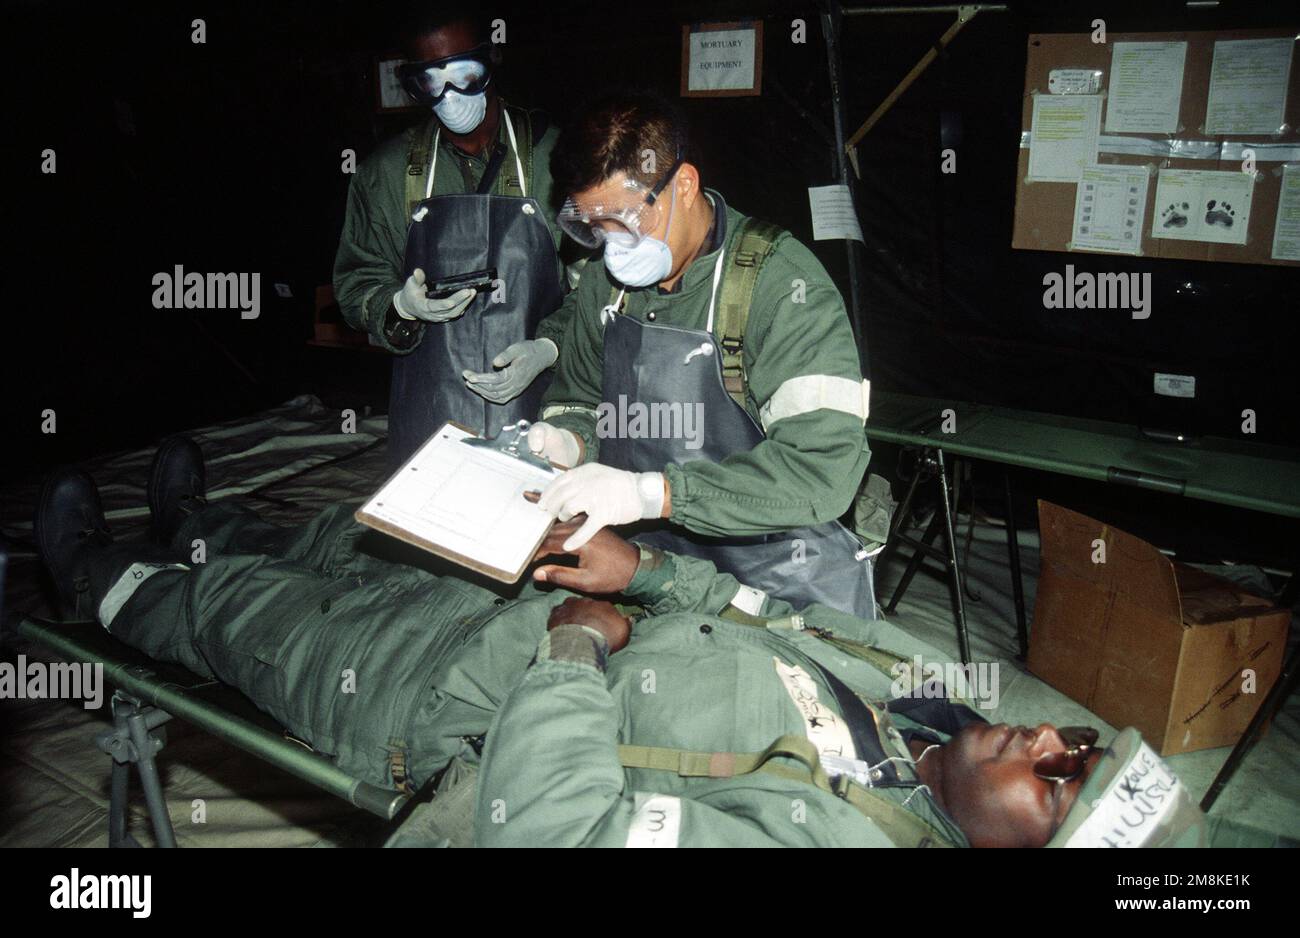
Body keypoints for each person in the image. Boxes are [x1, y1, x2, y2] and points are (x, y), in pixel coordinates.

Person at [33, 439, 1253, 848]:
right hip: (548, 615)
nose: (1045, 731)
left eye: (1057, 778)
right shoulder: (929, 700)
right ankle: (201, 522)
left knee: (251, 622)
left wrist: (572, 648)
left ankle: (94, 580)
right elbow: (769, 618)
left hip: (448, 702)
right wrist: (646, 571)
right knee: (359, 540)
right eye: (1077, 739)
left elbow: (555, 827)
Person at [527, 91, 877, 618]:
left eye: (624, 221)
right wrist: (571, 440)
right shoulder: (608, 284)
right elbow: (578, 394)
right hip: (641, 561)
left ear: (684, 185)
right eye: (594, 227)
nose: (612, 247)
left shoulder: (782, 286)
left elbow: (821, 472)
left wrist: (654, 494)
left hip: (773, 574)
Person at [333, 12, 569, 468]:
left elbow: (600, 289)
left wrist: (549, 346)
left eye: (464, 73)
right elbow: (357, 281)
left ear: (490, 61)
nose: (450, 94)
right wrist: (399, 307)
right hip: (430, 412)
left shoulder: (556, 160)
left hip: (544, 409)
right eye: (430, 80)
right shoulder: (387, 173)